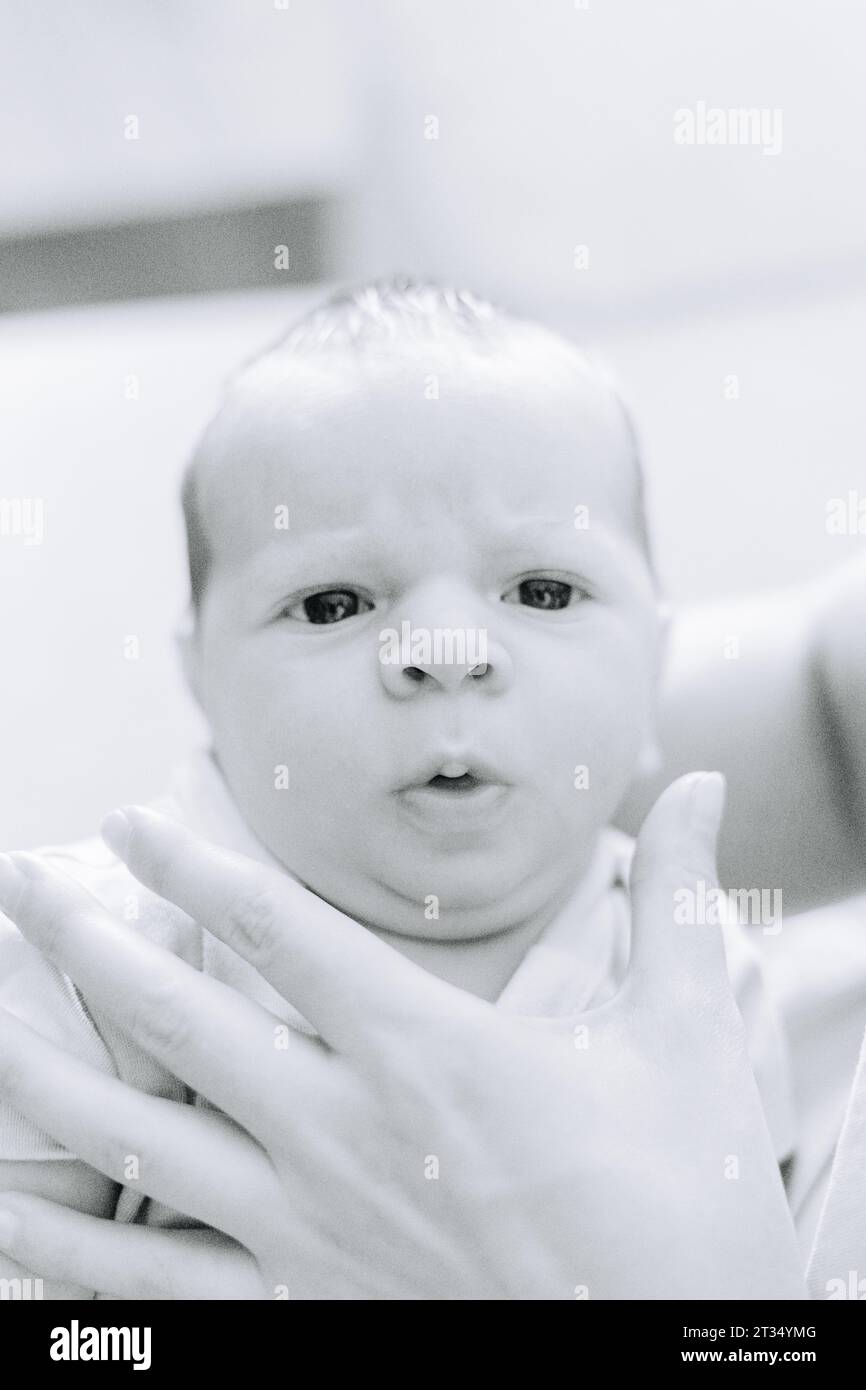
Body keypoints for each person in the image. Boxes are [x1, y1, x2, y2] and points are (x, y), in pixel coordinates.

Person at [0, 279, 861, 1299]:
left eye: (542, 591)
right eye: (330, 602)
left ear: (655, 670)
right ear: (198, 675)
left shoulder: (699, 973)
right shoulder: (95, 965)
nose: (445, 652)